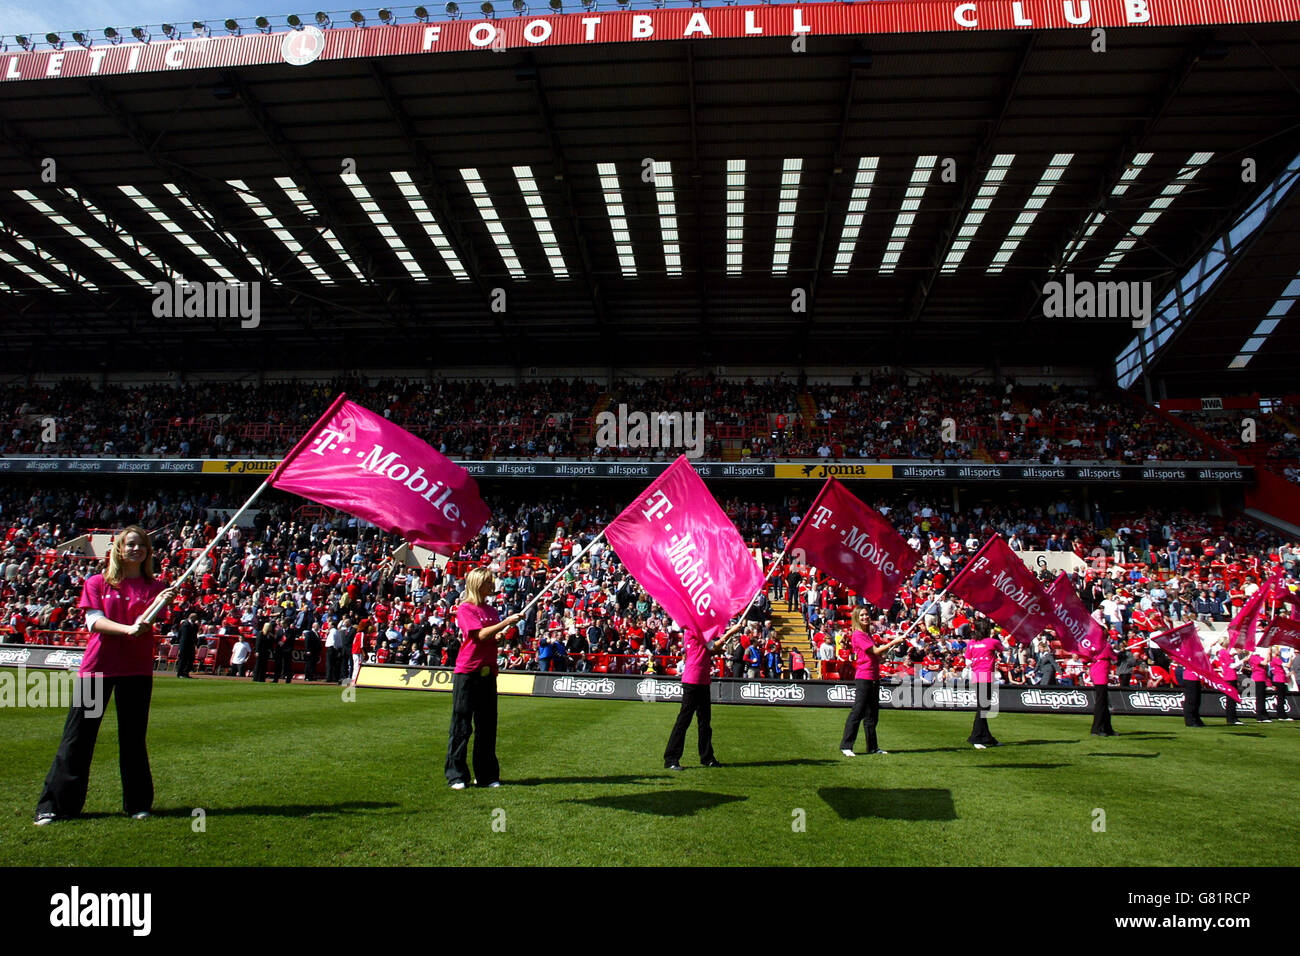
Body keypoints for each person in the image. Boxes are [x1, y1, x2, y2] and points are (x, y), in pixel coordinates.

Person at [34, 526, 178, 825]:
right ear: (119, 549)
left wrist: (159, 604)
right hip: (97, 669)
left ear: (148, 552)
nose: (136, 549)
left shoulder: (157, 587)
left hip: (136, 670)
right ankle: (55, 805)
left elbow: (148, 624)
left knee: (133, 739)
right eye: (130, 545)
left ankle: (138, 804)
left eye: (142, 545)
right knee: (77, 738)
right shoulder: (98, 582)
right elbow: (94, 622)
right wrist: (127, 629)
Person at [446, 568, 522, 790]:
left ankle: (486, 775)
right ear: (478, 584)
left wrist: (501, 633)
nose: (492, 586)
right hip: (467, 672)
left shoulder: (490, 610)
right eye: (488, 582)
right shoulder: (465, 609)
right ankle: (456, 775)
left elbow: (490, 638)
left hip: (488, 672)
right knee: (461, 726)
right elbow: (478, 635)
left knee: (487, 726)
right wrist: (505, 622)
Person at [664, 620, 742, 771]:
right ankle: (672, 758)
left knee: (704, 722)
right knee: (685, 721)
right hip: (694, 680)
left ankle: (706, 757)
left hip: (701, 679)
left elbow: (710, 649)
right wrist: (731, 631)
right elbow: (714, 646)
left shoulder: (694, 632)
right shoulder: (695, 631)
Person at [840, 608, 907, 756]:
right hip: (864, 677)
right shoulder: (858, 635)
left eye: (866, 614)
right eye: (862, 615)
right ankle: (846, 745)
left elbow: (875, 655)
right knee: (857, 712)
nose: (865, 617)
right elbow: (875, 651)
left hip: (874, 677)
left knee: (872, 715)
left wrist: (884, 655)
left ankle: (873, 747)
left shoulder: (867, 635)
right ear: (857, 618)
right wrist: (893, 641)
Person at [966, 618, 1002, 749]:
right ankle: (975, 738)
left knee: (983, 708)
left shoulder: (971, 643)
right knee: (983, 708)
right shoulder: (992, 642)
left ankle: (988, 738)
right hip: (986, 676)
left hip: (976, 676)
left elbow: (968, 662)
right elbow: (1002, 648)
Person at [1087, 639, 1117, 737]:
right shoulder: (1105, 645)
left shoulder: (1093, 644)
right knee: (1101, 702)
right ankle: (1096, 728)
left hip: (1096, 671)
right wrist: (1121, 652)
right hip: (1101, 673)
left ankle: (1107, 728)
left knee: (1103, 702)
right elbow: (1114, 657)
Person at [1215, 639, 1241, 725]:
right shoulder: (1224, 653)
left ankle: (1232, 717)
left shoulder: (1222, 652)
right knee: (1231, 699)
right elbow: (1231, 666)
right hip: (1230, 677)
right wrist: (1243, 660)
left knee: (1231, 698)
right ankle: (1232, 718)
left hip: (1229, 676)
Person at [1178, 660, 1205, 728]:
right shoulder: (1189, 653)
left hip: (1196, 677)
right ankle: (1190, 720)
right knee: (1191, 700)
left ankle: (1196, 718)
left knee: (1197, 700)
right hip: (1190, 677)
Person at [1249, 647, 1271, 722]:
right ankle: (1260, 716)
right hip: (1258, 678)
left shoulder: (1257, 657)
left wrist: (1269, 653)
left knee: (1262, 697)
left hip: (1261, 678)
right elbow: (1264, 663)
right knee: (1260, 698)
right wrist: (1268, 653)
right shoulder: (1254, 657)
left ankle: (1263, 714)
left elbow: (1267, 660)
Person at [1269, 646, 1291, 721]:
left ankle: (1281, 714)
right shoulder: (1276, 659)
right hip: (1279, 679)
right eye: (1278, 650)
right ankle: (1281, 715)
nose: (1280, 651)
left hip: (1278, 679)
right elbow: (1287, 665)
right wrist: (1291, 658)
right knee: (1281, 698)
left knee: (1281, 697)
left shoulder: (1274, 660)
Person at [175, 612, 199, 679]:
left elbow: (195, 635)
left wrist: (195, 643)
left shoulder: (194, 626)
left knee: (191, 659)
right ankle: (180, 673)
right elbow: (183, 635)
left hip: (191, 645)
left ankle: (186, 672)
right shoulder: (185, 624)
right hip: (184, 645)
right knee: (183, 659)